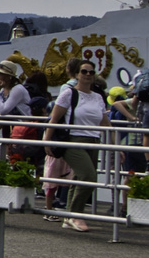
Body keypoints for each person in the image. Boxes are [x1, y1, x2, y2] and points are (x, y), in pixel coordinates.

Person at [45, 61, 109, 233]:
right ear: (77, 74)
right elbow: (54, 118)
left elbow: (105, 123)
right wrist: (47, 141)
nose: (88, 74)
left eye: (91, 71)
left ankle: (68, 216)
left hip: (93, 140)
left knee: (80, 178)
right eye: (84, 71)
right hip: (73, 139)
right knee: (88, 176)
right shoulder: (69, 93)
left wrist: (116, 146)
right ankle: (76, 214)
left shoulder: (97, 97)